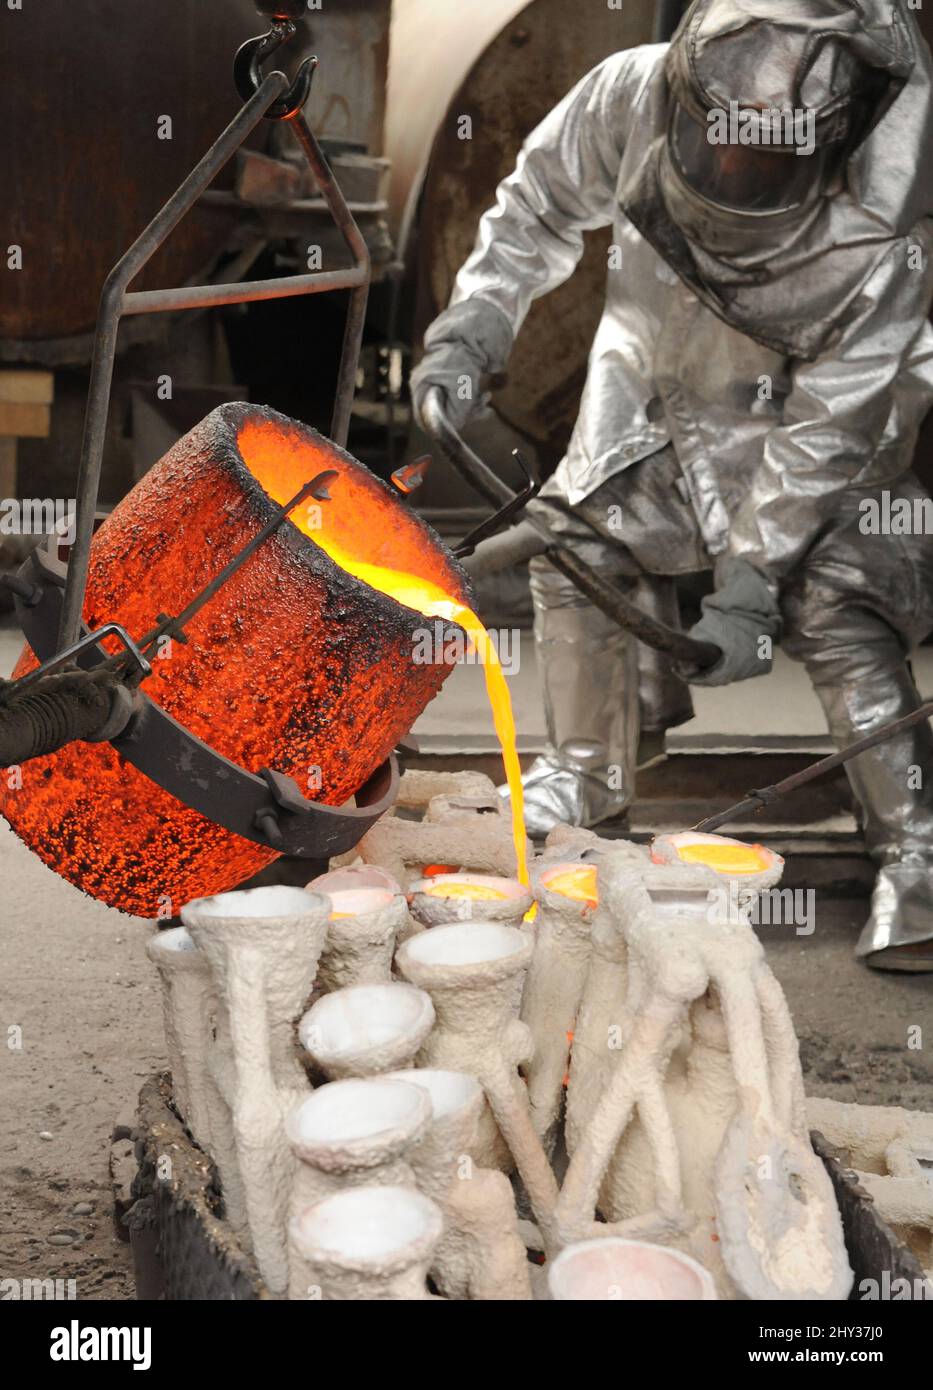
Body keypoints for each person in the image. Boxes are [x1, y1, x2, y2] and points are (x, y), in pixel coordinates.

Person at [411, 0, 933, 971]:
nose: (726, 168)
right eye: (711, 141)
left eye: (762, 164)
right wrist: (473, 325)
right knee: (576, 543)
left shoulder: (886, 229)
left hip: (812, 441)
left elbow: (832, 425)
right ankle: (586, 774)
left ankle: (916, 849)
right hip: (652, 385)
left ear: (834, 144)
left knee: (837, 602)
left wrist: (749, 582)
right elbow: (535, 205)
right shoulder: (633, 92)